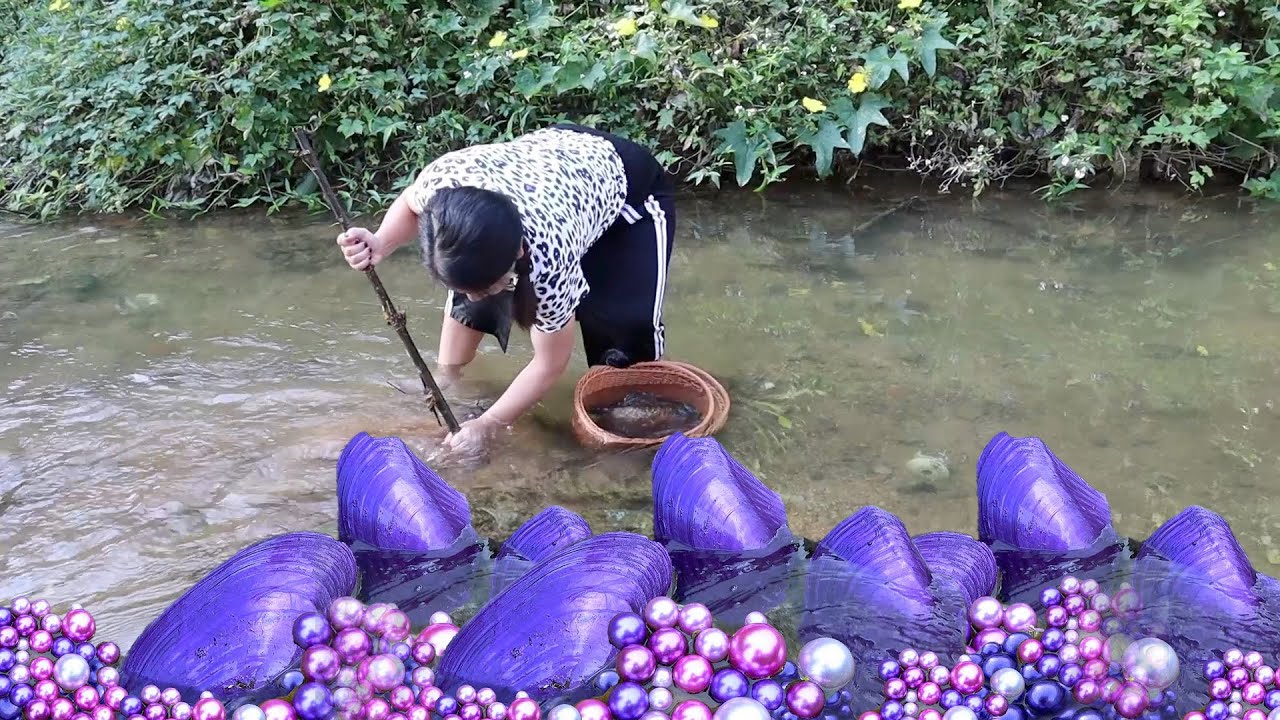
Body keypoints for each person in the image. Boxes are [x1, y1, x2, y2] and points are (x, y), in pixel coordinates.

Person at [336, 123, 677, 456]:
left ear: (518, 253)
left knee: (624, 334)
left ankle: (636, 427)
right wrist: (380, 242)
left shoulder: (548, 259)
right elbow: (411, 202)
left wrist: (490, 422)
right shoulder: (445, 187)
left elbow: (549, 363)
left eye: (485, 287)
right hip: (555, 168)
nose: (470, 300)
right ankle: (450, 374)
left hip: (627, 192)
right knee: (474, 282)